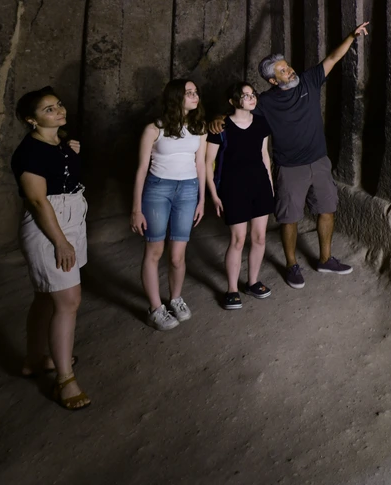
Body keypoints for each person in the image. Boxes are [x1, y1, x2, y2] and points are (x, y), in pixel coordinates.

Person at [211, 22, 369, 290]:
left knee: (327, 209)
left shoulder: (309, 80)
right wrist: (218, 118)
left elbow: (333, 57)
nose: (289, 70)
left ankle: (325, 259)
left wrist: (351, 36)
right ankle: (291, 264)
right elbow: (240, 110)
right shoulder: (264, 103)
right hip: (289, 167)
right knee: (289, 218)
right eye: (283, 70)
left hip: (319, 161)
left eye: (288, 65)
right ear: (273, 80)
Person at [11, 86, 90, 411]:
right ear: (31, 120)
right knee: (69, 301)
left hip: (72, 217)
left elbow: (65, 174)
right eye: (48, 109)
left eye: (58, 104)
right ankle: (64, 380)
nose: (58, 110)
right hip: (51, 225)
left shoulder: (60, 143)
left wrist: (70, 150)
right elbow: (36, 200)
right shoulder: (29, 153)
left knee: (47, 296)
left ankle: (34, 359)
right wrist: (60, 241)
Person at [131, 79, 208, 331]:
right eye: (189, 93)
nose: (195, 96)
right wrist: (136, 208)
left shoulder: (200, 128)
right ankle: (155, 308)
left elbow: (201, 165)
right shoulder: (154, 129)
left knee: (177, 256)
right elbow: (141, 169)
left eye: (196, 92)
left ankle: (176, 299)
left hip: (188, 189)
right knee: (154, 251)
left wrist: (202, 199)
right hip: (158, 189)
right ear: (176, 97)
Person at [206, 82, 275, 309]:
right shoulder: (221, 127)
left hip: (260, 186)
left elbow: (265, 155)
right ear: (233, 101)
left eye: (252, 94)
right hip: (233, 188)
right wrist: (214, 195)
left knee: (260, 238)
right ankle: (232, 289)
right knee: (237, 240)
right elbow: (208, 163)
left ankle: (253, 282)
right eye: (245, 96)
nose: (251, 98)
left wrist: (271, 186)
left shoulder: (262, 123)